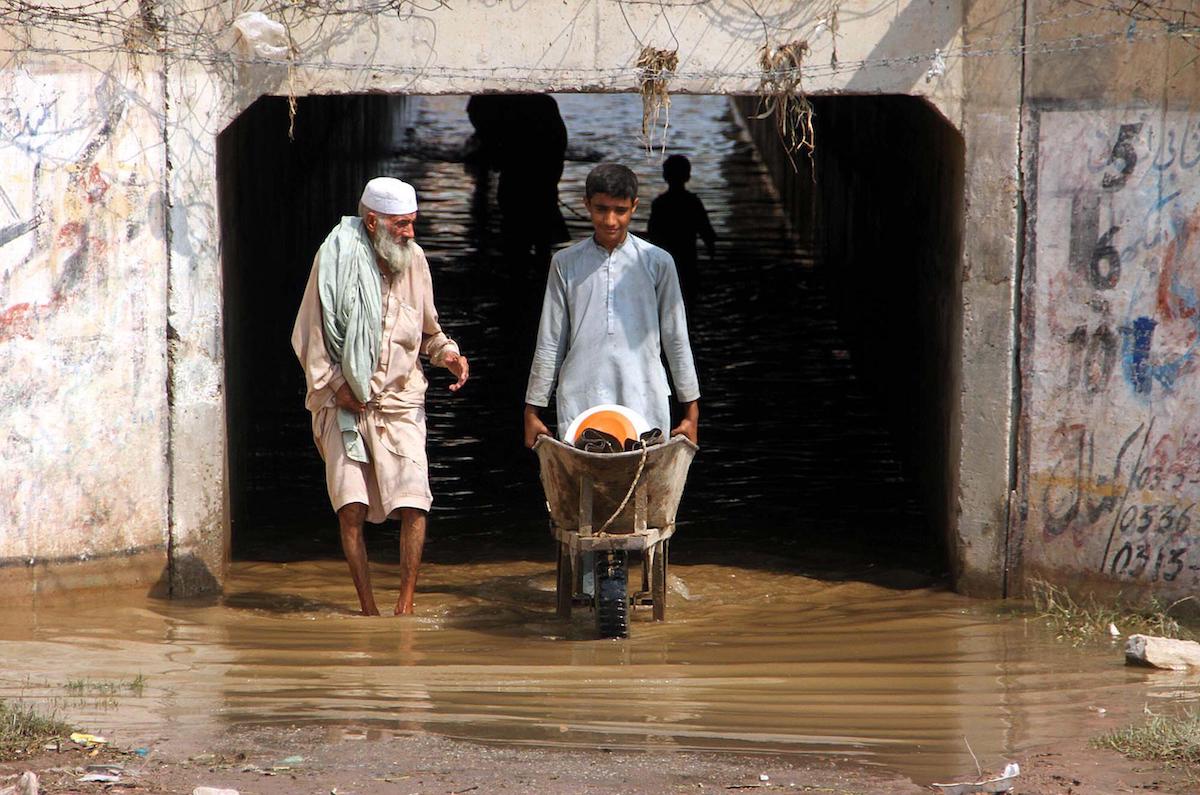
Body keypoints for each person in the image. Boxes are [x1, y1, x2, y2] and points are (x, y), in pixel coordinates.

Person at [291, 177, 470, 616]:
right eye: (402, 225)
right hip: (344, 402)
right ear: (373, 222)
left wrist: (448, 354)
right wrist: (338, 388)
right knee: (350, 508)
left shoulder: (416, 261)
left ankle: (404, 606)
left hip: (401, 402)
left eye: (413, 224)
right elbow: (309, 336)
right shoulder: (333, 261)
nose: (410, 233)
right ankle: (367, 610)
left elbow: (428, 331)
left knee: (415, 502)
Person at [523, 163, 700, 448]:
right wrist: (532, 410)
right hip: (581, 398)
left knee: (645, 486)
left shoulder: (658, 262)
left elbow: (676, 339)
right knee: (585, 486)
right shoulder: (565, 263)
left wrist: (691, 411)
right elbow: (550, 341)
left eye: (620, 210)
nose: (610, 221)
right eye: (601, 209)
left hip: (644, 397)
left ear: (634, 207)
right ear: (587, 205)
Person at [646, 154, 716, 314]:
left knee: (664, 304)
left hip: (664, 263)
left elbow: (652, 234)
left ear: (665, 176)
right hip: (688, 261)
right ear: (688, 176)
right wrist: (711, 251)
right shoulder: (693, 203)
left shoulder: (659, 204)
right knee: (688, 303)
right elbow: (707, 232)